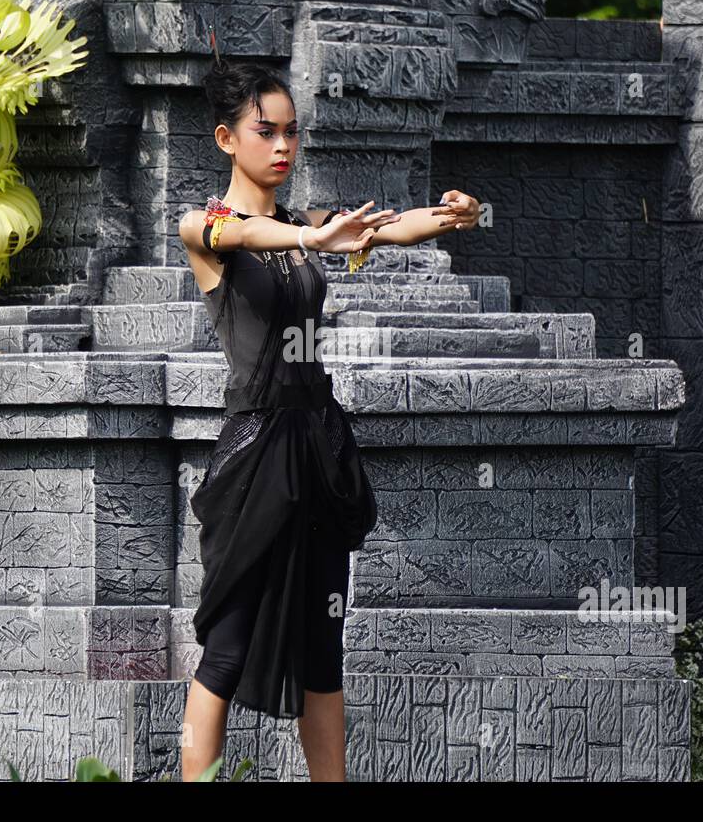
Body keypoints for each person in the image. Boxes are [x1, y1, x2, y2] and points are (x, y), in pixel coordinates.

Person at [177, 41, 482, 782]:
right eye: (265, 132)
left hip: (318, 444)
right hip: (255, 453)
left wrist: (453, 217)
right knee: (229, 641)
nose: (283, 146)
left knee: (323, 642)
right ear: (227, 139)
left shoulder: (312, 223)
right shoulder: (204, 227)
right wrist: (313, 237)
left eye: (291, 132)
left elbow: (387, 227)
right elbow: (248, 232)